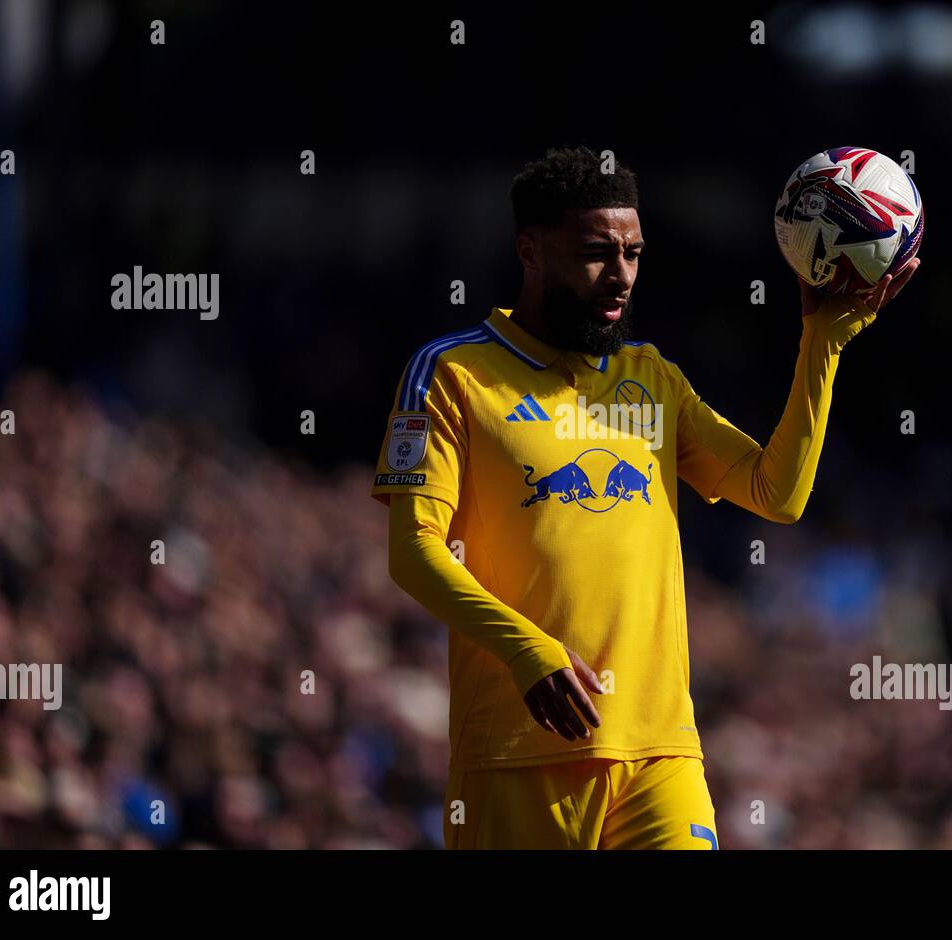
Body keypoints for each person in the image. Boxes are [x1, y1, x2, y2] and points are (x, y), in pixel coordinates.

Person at [371, 145, 919, 848]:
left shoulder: (653, 379)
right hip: (518, 753)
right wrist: (527, 651)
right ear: (530, 250)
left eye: (633, 252)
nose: (621, 276)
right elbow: (413, 552)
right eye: (597, 253)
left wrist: (824, 343)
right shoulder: (451, 373)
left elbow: (774, 494)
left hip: (661, 752)